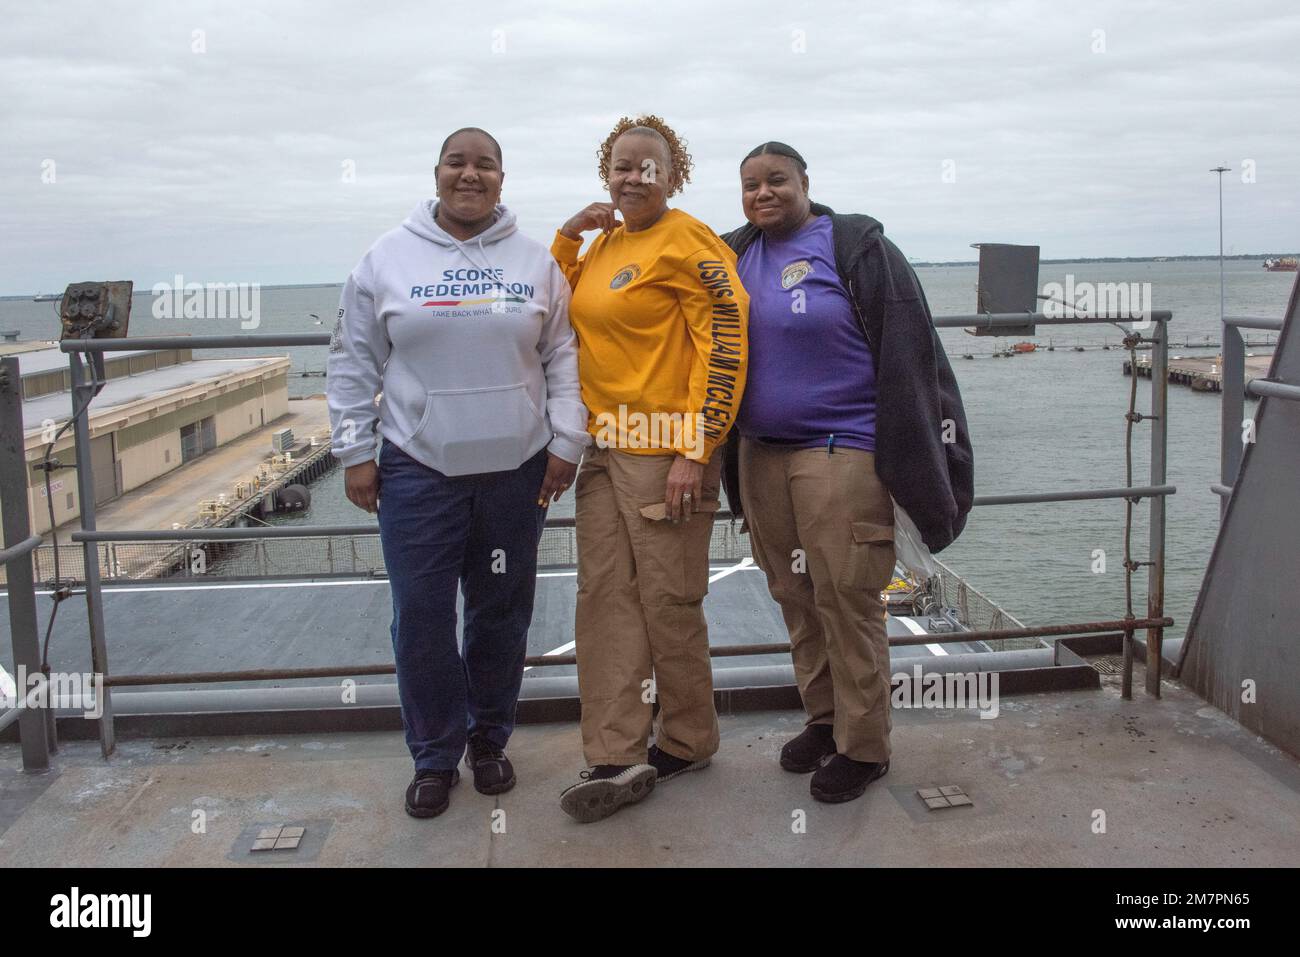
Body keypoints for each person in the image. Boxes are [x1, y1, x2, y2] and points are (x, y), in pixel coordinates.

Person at [326, 127, 589, 819]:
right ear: (437, 171)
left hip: (516, 472)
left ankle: (489, 738)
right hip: (419, 471)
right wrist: (356, 452)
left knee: (502, 613)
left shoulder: (536, 263)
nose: (470, 174)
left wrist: (569, 441)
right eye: (457, 162)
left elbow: (563, 356)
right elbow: (353, 362)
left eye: (485, 164)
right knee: (420, 618)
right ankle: (434, 755)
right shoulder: (385, 259)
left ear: (502, 178)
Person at [720, 141, 973, 803]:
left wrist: (928, 451)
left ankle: (864, 746)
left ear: (806, 181)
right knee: (795, 595)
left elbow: (912, 348)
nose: (763, 192)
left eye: (777, 179)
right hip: (759, 451)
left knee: (847, 596)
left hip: (843, 447)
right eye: (750, 184)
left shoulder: (856, 247)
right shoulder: (733, 253)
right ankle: (824, 718)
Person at [551, 115, 748, 823]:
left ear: (674, 174)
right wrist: (569, 234)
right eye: (621, 166)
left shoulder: (687, 240)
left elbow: (724, 342)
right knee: (604, 599)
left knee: (669, 601)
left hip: (667, 446)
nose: (632, 177)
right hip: (605, 447)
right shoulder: (607, 243)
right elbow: (563, 303)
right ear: (606, 173)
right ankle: (614, 750)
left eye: (648, 167)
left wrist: (698, 449)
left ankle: (689, 737)